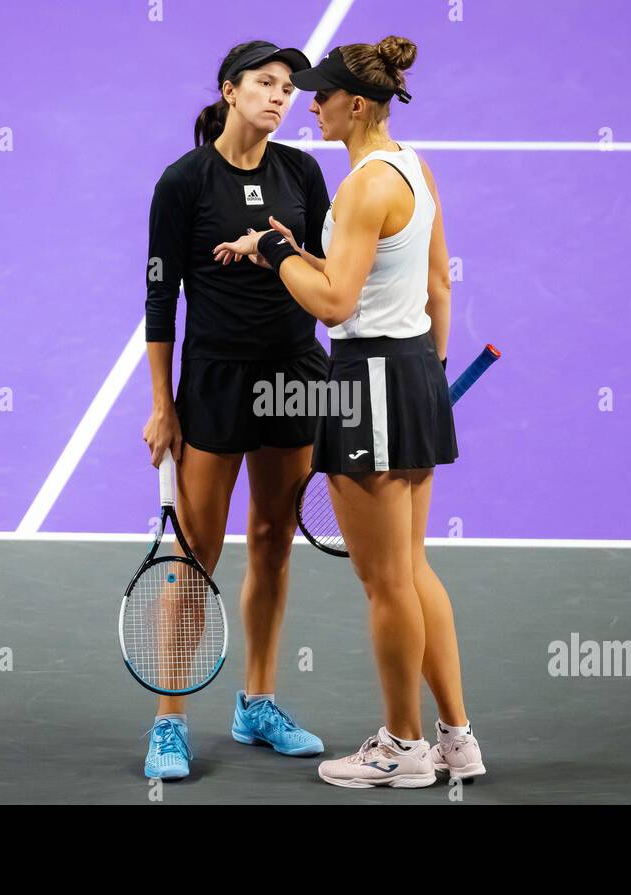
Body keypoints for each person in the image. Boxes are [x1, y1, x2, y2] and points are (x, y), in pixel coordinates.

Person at [214, 36, 486, 788]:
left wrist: (276, 256)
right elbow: (437, 288)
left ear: (356, 104)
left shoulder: (364, 187)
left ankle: (400, 745)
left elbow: (335, 301)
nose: (310, 105)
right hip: (413, 378)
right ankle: (455, 737)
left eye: (322, 95)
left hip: (367, 383)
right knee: (413, 568)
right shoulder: (414, 168)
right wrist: (422, 383)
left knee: (386, 583)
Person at [140, 40, 332, 779]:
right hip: (215, 380)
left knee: (274, 540)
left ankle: (258, 701)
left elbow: (326, 270)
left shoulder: (302, 173)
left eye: (288, 87)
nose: (281, 97)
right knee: (195, 553)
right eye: (266, 83)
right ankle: (169, 718)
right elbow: (161, 299)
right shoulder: (184, 182)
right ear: (230, 90)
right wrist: (163, 405)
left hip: (292, 374)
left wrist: (275, 250)